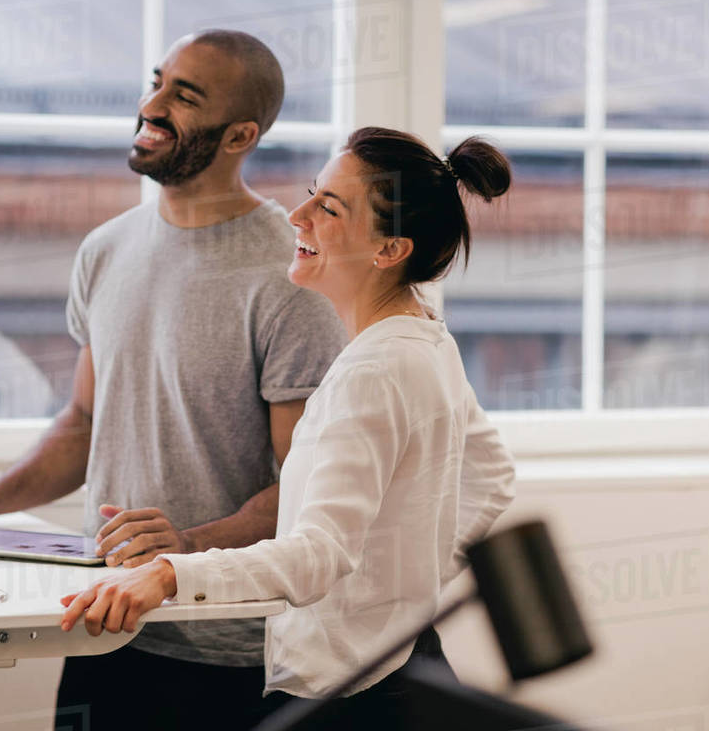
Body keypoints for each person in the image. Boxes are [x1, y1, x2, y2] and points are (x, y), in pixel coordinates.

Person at [0, 30, 347, 730]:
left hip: (226, 648)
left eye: (184, 95)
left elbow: (308, 486)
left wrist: (188, 546)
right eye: (157, 81)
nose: (152, 104)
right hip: (105, 624)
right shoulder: (106, 249)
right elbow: (86, 422)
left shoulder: (288, 277)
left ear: (240, 134)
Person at [59, 126, 518, 725]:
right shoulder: (426, 339)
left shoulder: (374, 371)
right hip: (396, 661)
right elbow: (493, 477)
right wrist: (405, 589)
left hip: (349, 694)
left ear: (388, 251)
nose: (297, 215)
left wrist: (171, 573)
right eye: (311, 193)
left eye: (328, 208)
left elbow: (317, 554)